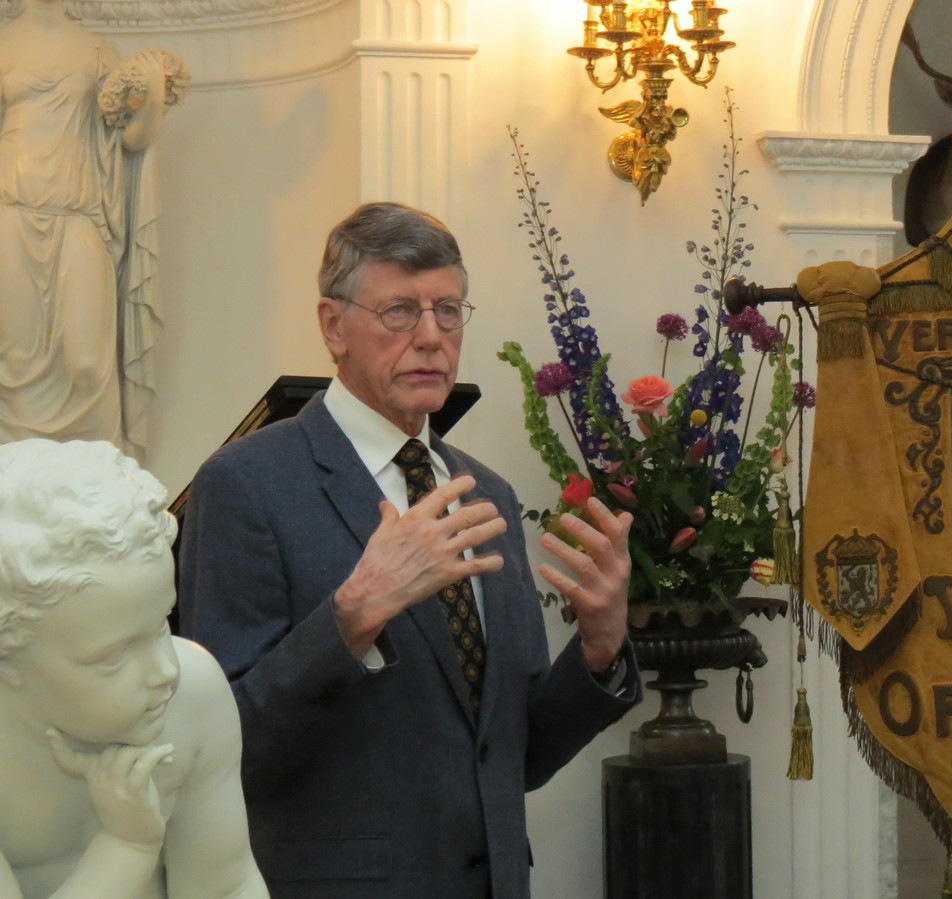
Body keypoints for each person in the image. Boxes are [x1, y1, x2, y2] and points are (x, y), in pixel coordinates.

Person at [177, 201, 639, 899]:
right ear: (333, 325)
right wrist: (353, 615)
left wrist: (599, 648)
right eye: (400, 312)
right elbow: (225, 748)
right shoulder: (245, 484)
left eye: (448, 311)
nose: (431, 337)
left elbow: (516, 754)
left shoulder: (487, 492)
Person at [0, 438, 269, 899]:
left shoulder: (194, 695)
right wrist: (127, 846)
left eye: (163, 623)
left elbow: (227, 885)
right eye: (112, 656)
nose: (165, 671)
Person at [0, 0, 181, 455]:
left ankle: (103, 484)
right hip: (11, 212)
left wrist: (155, 97)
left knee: (87, 361)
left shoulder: (98, 53)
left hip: (79, 216)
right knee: (11, 359)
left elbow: (132, 141)